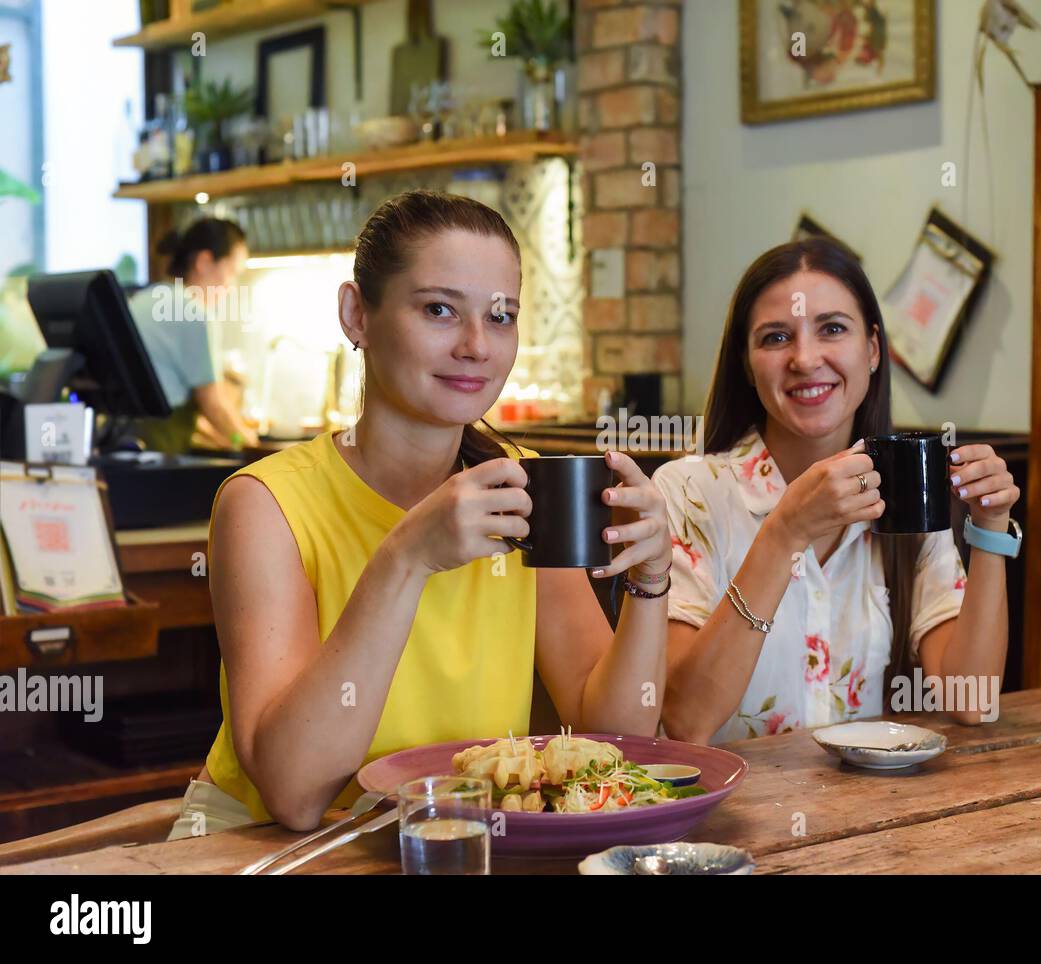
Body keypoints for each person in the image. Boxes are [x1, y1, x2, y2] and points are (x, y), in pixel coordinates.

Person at [169, 191, 671, 838]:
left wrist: (651, 581)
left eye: (501, 316)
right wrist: (408, 556)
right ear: (357, 315)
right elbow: (294, 795)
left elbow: (617, 742)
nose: (475, 346)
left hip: (445, 843)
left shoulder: (524, 487)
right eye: (439, 310)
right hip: (263, 847)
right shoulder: (264, 503)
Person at [653, 237, 1020, 745]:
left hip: (872, 814)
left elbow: (972, 701)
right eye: (776, 338)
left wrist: (991, 530)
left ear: (872, 350)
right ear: (746, 363)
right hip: (729, 819)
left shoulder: (908, 489)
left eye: (832, 329)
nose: (805, 359)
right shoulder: (689, 492)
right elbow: (685, 719)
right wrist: (785, 533)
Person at [126, 217, 259, 453]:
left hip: (125, 441)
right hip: (159, 451)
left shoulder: (145, 299)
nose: (231, 286)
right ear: (204, 262)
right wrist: (249, 446)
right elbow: (213, 405)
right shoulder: (194, 312)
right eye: (232, 273)